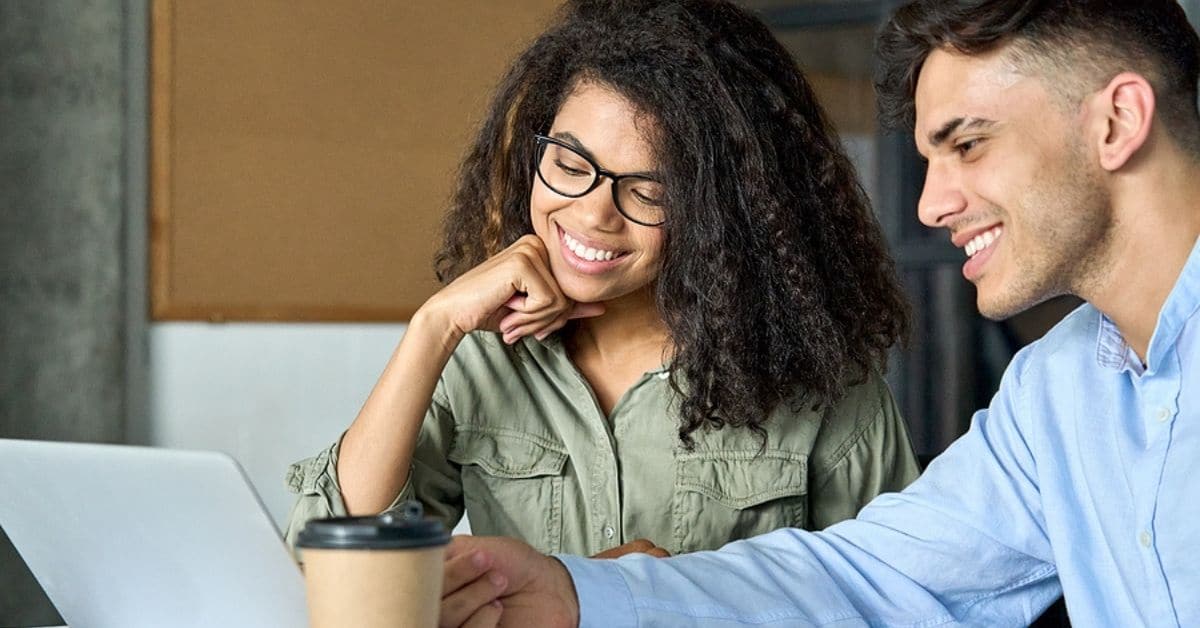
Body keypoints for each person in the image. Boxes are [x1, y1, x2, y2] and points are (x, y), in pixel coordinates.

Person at [437, 0, 1200, 625]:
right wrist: (572, 595)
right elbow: (874, 577)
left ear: (1117, 121)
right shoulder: (1057, 393)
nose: (932, 205)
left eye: (968, 145)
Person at [282, 0, 920, 564]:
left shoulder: (820, 382)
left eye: (647, 190)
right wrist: (434, 326)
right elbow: (329, 553)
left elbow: (895, 600)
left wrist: (663, 597)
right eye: (568, 163)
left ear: (721, 209)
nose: (591, 213)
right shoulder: (482, 356)